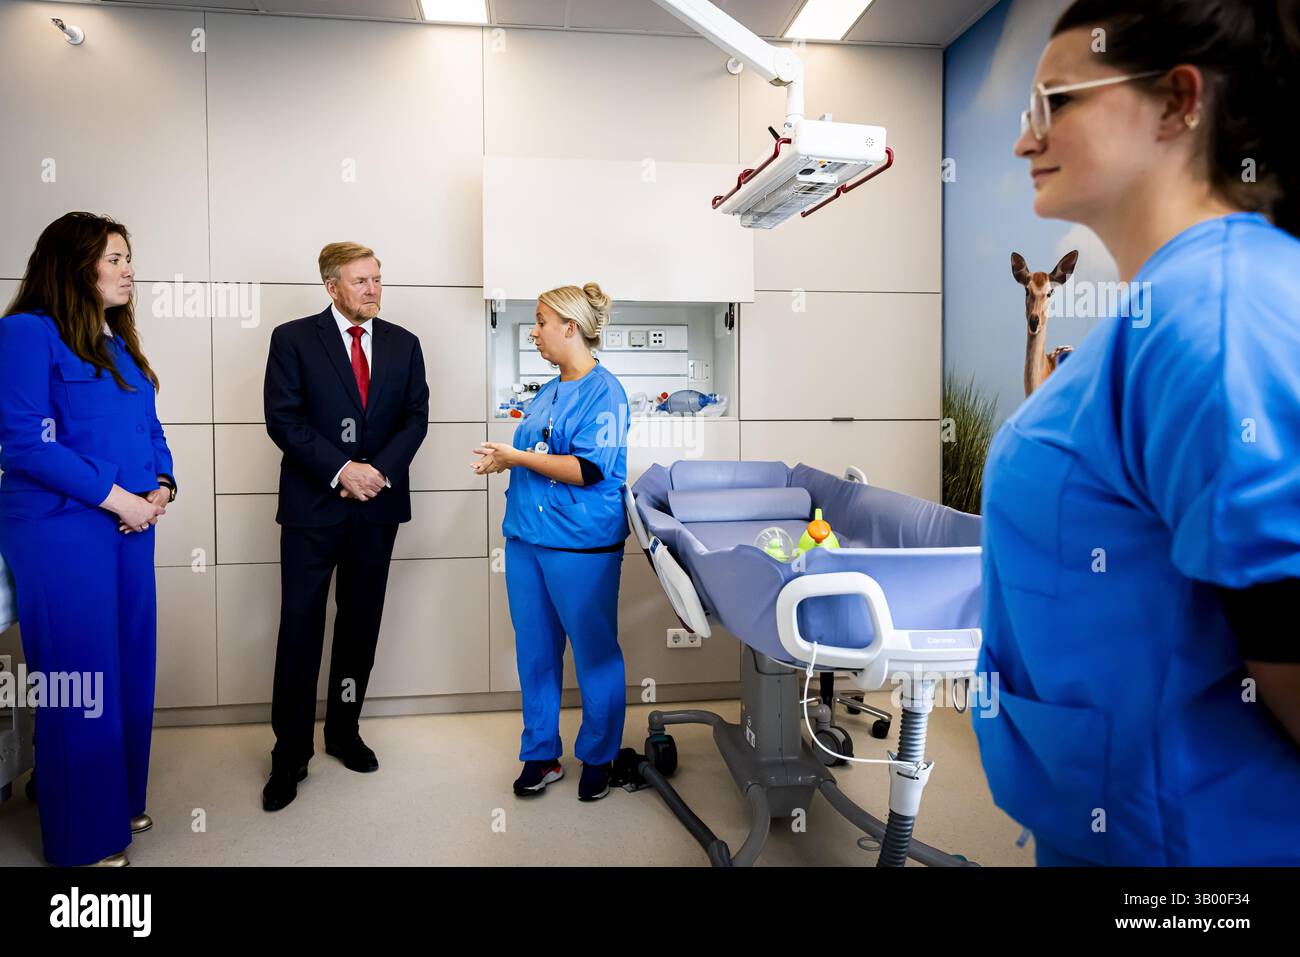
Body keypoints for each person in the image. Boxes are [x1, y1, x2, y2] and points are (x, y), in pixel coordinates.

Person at [974, 0, 1300, 866]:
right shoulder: (1154, 316)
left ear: (1177, 102)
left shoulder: (1214, 315)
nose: (1023, 141)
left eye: (1056, 105)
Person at [0, 212, 175, 866]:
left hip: (132, 523)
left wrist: (162, 485)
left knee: (130, 664)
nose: (129, 268)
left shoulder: (120, 345)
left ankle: (118, 798)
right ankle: (83, 839)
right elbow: (24, 443)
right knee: (84, 675)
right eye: (115, 257)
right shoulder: (25, 334)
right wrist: (120, 496)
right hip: (58, 524)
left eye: (130, 256)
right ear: (75, 264)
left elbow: (149, 432)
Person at [261, 242, 429, 811]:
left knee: (360, 625)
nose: (374, 290)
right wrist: (342, 469)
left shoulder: (405, 345)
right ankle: (290, 754)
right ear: (332, 287)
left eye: (378, 279)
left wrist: (375, 472)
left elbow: (415, 418)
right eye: (361, 281)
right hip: (313, 507)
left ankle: (343, 731)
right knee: (301, 627)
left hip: (376, 507)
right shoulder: (292, 339)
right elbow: (282, 420)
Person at [472, 283, 630, 801]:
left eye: (541, 322)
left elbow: (588, 468)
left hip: (580, 544)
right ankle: (541, 754)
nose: (535, 332)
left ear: (570, 327)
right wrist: (505, 459)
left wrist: (516, 457)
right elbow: (541, 452)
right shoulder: (547, 391)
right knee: (535, 651)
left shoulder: (605, 391)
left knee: (593, 653)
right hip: (527, 540)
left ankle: (599, 756)